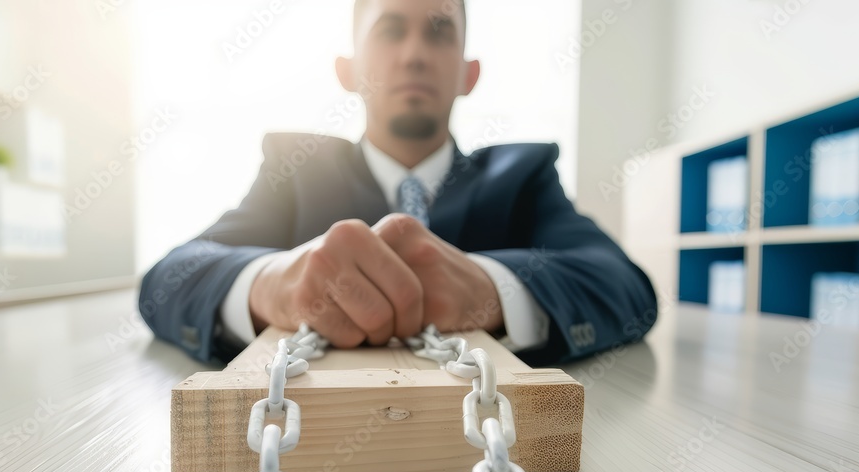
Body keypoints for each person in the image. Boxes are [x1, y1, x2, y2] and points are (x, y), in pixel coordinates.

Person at [139, 0, 657, 367]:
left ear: (467, 74)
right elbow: (167, 278)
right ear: (347, 70)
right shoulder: (295, 170)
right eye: (390, 30)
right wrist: (272, 284)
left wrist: (491, 287)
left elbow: (626, 285)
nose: (414, 54)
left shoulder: (523, 176)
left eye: (439, 32)